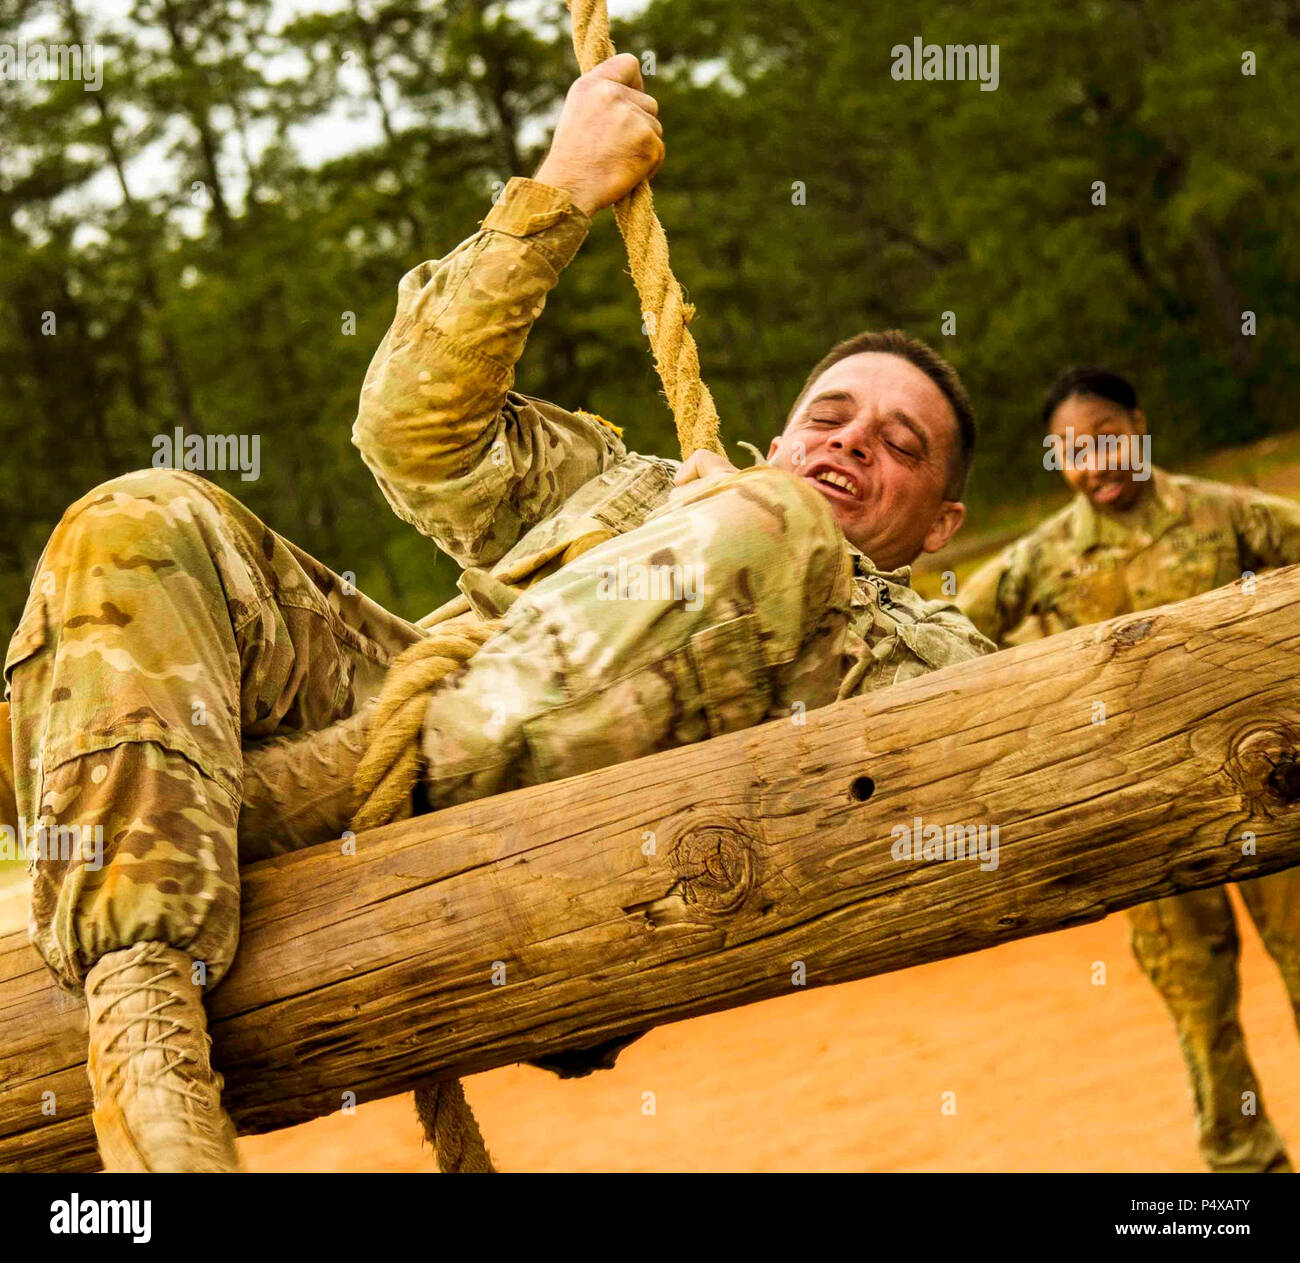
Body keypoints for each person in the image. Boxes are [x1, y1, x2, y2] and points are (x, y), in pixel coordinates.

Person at [3, 53, 991, 1172]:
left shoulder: (937, 651)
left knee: (774, 531)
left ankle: (197, 803)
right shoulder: (633, 488)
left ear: (941, 525)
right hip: (400, 705)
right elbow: (409, 432)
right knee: (137, 518)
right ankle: (151, 1062)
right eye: (830, 417)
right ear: (776, 435)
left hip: (590, 863)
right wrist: (561, 189)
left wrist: (760, 531)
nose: (852, 441)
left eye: (898, 444)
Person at [959, 365, 1300, 1173]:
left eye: (1107, 436)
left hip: (1272, 790)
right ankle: (1244, 1166)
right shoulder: (1037, 563)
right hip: (1149, 821)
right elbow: (946, 637)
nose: (1096, 462)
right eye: (1072, 450)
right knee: (1197, 996)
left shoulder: (1228, 517)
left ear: (1138, 427)